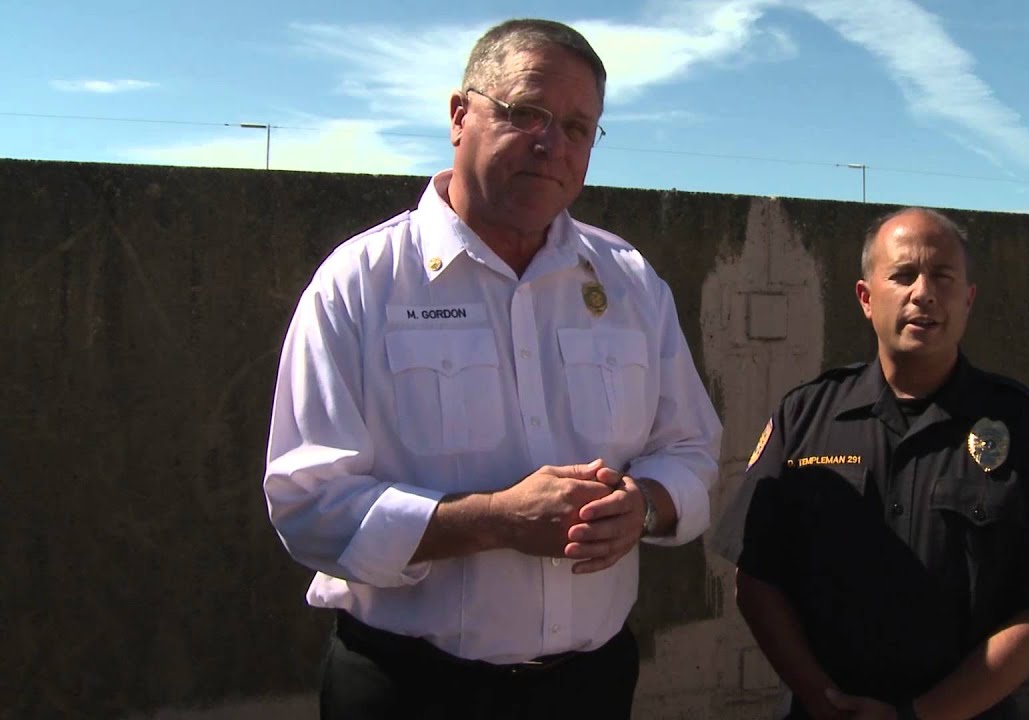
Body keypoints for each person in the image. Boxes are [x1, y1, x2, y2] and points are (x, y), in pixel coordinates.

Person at [263, 18, 721, 720]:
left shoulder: (628, 281)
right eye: (526, 113)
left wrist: (646, 506)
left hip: (588, 688)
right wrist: (494, 521)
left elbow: (691, 449)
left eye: (577, 127)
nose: (551, 144)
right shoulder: (361, 283)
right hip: (410, 689)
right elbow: (308, 504)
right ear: (459, 114)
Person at [713, 207, 1029, 719]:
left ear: (968, 299)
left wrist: (920, 716)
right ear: (866, 298)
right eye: (903, 275)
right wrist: (823, 701)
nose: (922, 292)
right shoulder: (805, 417)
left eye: (943, 277)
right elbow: (755, 579)